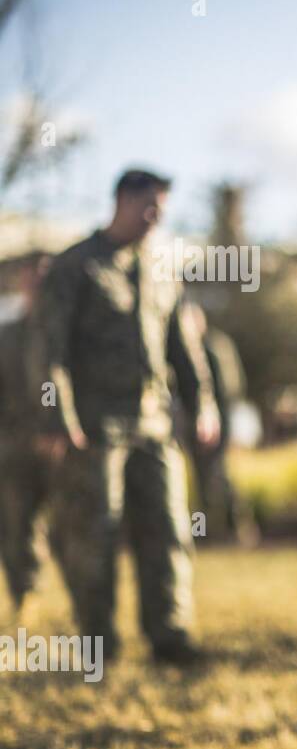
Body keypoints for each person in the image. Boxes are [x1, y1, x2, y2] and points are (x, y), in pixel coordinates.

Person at [33, 169, 220, 664]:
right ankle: (99, 644)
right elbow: (49, 352)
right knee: (95, 537)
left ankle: (171, 637)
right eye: (151, 206)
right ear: (123, 200)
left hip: (155, 426)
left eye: (163, 209)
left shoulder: (161, 270)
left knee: (170, 530)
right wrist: (56, 417)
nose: (158, 218)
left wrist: (203, 403)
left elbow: (185, 348)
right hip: (94, 429)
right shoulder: (76, 267)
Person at [178, 302, 258, 546]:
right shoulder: (213, 345)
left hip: (214, 421)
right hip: (206, 420)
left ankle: (235, 529)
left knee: (215, 476)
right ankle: (211, 531)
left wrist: (212, 417)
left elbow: (226, 388)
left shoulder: (209, 348)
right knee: (207, 478)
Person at [0, 251, 54, 613]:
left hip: (66, 442)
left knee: (72, 523)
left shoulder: (66, 331)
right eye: (30, 276)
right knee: (16, 521)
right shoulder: (7, 335)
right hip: (15, 442)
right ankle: (25, 591)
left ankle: (86, 605)